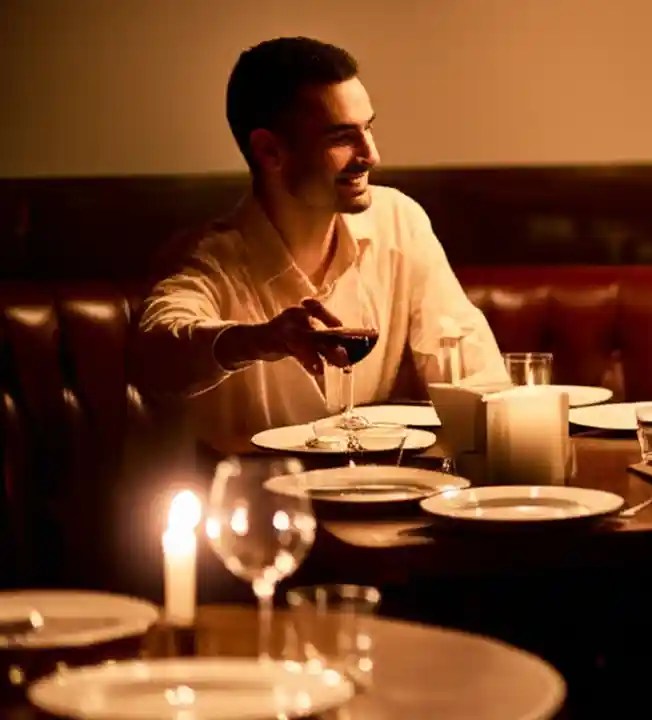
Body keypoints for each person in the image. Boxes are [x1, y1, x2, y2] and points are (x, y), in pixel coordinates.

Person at [135, 37, 504, 454]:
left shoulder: (400, 222)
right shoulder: (209, 257)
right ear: (270, 151)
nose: (371, 155)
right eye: (342, 137)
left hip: (368, 500)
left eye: (368, 128)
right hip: (246, 503)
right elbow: (156, 353)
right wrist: (260, 340)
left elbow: (476, 379)